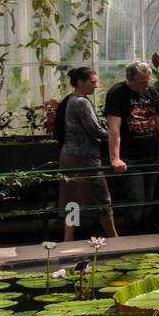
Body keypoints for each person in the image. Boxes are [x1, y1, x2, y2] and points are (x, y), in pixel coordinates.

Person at [104, 60, 159, 234]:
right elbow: (113, 128)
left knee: (149, 199)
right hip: (130, 157)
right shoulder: (117, 93)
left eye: (148, 81)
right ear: (129, 79)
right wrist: (115, 158)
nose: (146, 85)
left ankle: (144, 236)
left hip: (152, 154)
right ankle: (129, 237)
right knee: (137, 201)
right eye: (141, 82)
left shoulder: (151, 92)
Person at [56, 67, 118, 241]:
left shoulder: (69, 100)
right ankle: (113, 236)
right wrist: (116, 134)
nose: (96, 86)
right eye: (92, 82)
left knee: (71, 199)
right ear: (80, 82)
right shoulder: (81, 102)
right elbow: (95, 129)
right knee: (101, 196)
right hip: (85, 157)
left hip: (68, 155)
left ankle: (68, 239)